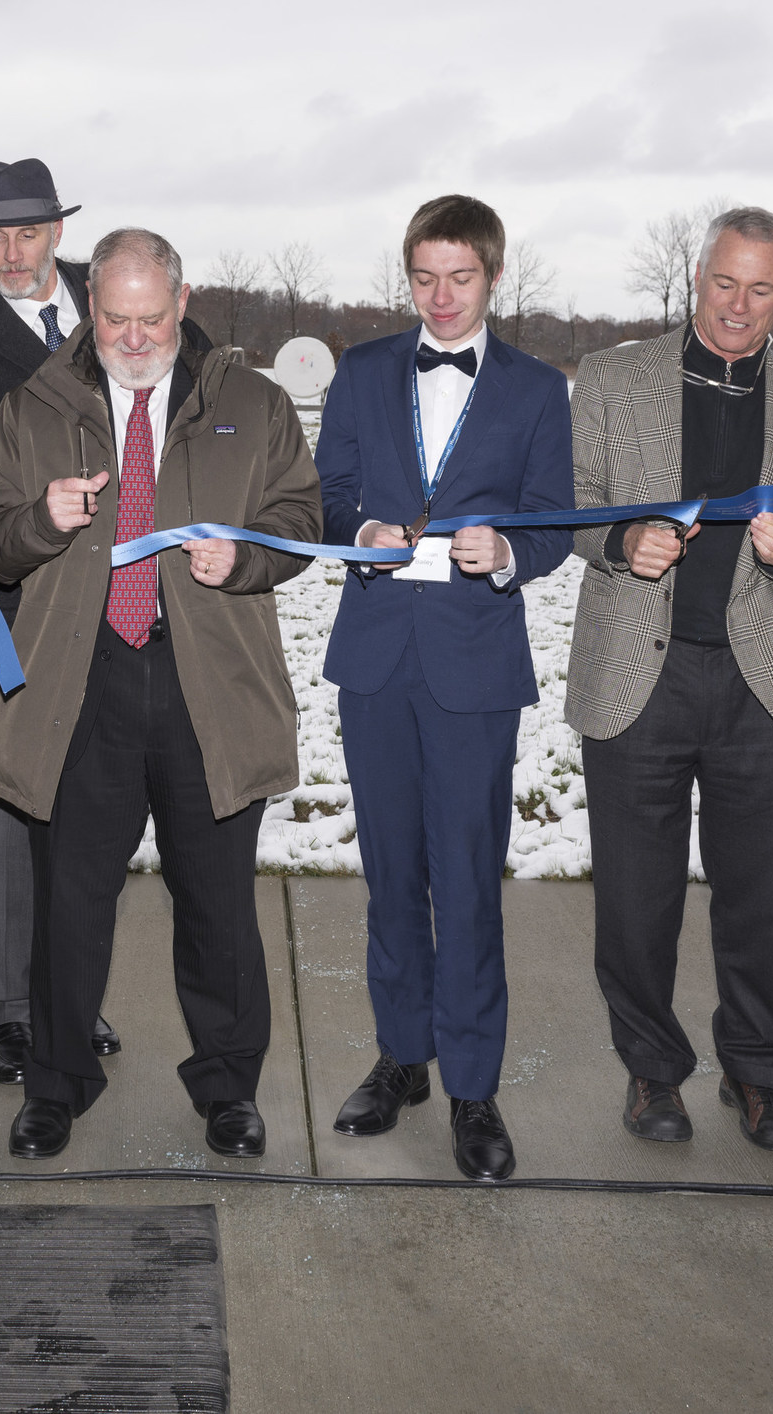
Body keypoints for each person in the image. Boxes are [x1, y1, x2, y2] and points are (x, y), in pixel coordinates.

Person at [0, 228, 321, 1162]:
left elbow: (300, 520)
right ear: (89, 309)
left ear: (184, 302)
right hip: (82, 683)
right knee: (68, 904)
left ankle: (229, 1089)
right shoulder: (34, 405)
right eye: (113, 317)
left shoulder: (253, 401)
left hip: (209, 683)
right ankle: (57, 1082)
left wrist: (244, 556)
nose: (131, 336)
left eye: (150, 316)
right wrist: (39, 519)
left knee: (219, 906)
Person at [563, 206, 773, 1153]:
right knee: (637, 899)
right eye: (724, 282)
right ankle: (653, 1073)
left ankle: (761, 1076)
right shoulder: (611, 378)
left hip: (757, 684)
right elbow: (571, 511)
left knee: (760, 895)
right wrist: (620, 541)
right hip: (634, 677)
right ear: (698, 276)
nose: (738, 305)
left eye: (760, 288)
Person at [311, 195, 574, 1182]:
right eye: (424, 277)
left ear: (493, 275)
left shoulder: (538, 389)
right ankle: (402, 1056)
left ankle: (472, 1083)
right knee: (390, 877)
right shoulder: (364, 371)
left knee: (465, 882)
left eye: (460, 276)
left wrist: (507, 547)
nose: (442, 295)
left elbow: (555, 520)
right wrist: (358, 534)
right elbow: (328, 494)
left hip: (472, 666)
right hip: (376, 658)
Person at [0, 158, 124, 1083]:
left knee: (91, 826)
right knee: (10, 822)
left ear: (59, 231)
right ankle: (10, 1010)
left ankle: (75, 998)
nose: (11, 254)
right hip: (10, 613)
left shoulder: (127, 303)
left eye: (27, 233)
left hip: (120, 612)